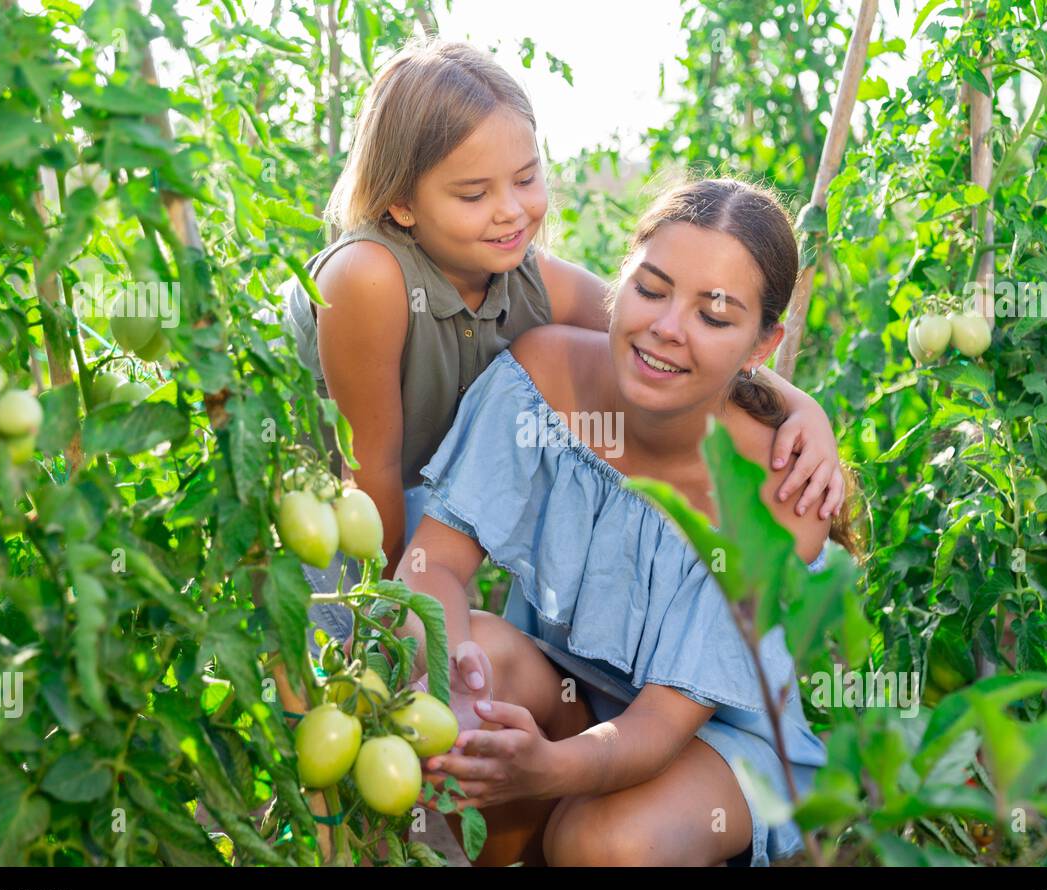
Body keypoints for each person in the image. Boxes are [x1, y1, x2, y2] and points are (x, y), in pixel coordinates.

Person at [278, 37, 845, 649]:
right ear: (401, 204)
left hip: (408, 491)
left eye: (526, 179)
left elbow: (662, 338)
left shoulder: (529, 278)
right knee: (339, 683)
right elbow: (371, 471)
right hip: (320, 504)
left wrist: (800, 406)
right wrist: (390, 627)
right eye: (474, 195)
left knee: (435, 670)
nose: (511, 212)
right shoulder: (369, 278)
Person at [393, 176, 863, 867]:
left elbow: (659, 725)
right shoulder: (542, 379)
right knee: (462, 672)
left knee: (603, 844)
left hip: (714, 742)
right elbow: (434, 568)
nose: (668, 328)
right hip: (568, 690)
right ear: (621, 280)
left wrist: (546, 769)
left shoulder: (778, 497)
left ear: (763, 346)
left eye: (715, 314)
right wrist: (454, 688)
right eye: (652, 289)